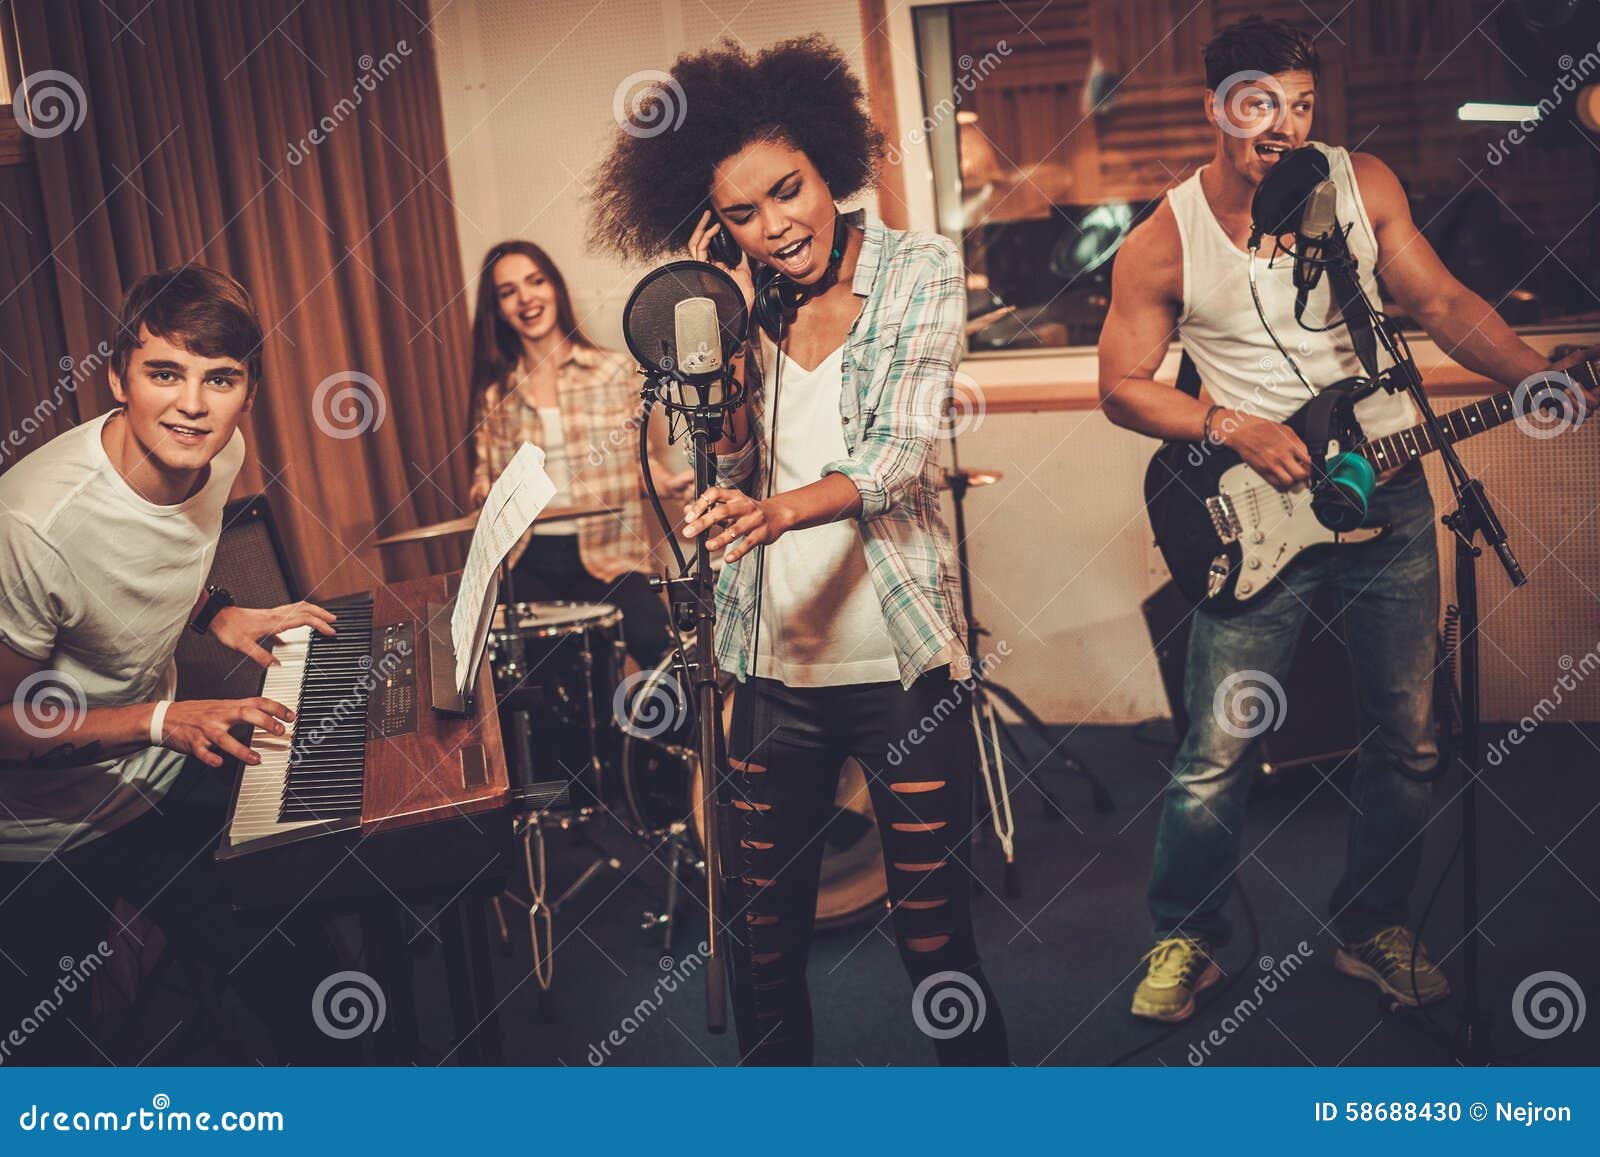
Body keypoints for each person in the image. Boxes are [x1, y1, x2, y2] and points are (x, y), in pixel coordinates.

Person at [1098, 16, 1600, 1023]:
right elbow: (1120, 387)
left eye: (1300, 105)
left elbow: (1444, 302)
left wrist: (1532, 377)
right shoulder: (1164, 240)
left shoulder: (1359, 186)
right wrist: (1227, 424)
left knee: (1407, 737)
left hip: (1393, 488)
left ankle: (1372, 922)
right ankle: (1184, 936)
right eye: (1257, 105)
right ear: (1212, 108)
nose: (1282, 127)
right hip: (1259, 514)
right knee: (1217, 747)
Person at [591, 34, 1009, 1065]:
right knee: (762, 947)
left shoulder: (918, 270)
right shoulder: (732, 303)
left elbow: (902, 456)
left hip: (898, 663)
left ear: (830, 167)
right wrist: (720, 353)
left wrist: (776, 514)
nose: (774, 227)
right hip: (773, 668)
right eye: (742, 212)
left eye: (789, 191)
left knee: (933, 944)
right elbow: (731, 467)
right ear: (716, 219)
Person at [0, 266, 343, 1063]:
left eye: (219, 378)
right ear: (119, 375)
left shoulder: (219, 454)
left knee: (303, 974)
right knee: (49, 1072)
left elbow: (136, 569)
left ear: (248, 393)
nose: (193, 404)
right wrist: (162, 719)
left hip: (153, 781)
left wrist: (217, 609)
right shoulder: (31, 523)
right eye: (165, 373)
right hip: (33, 836)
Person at [466, 240, 690, 670]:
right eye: (509, 291)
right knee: (534, 668)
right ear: (497, 309)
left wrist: (668, 483)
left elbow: (643, 464)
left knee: (657, 646)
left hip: (610, 552)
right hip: (529, 557)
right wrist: (482, 491)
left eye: (536, 281)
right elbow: (484, 476)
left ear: (556, 289)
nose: (527, 298)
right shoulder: (497, 395)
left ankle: (663, 736)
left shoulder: (616, 371)